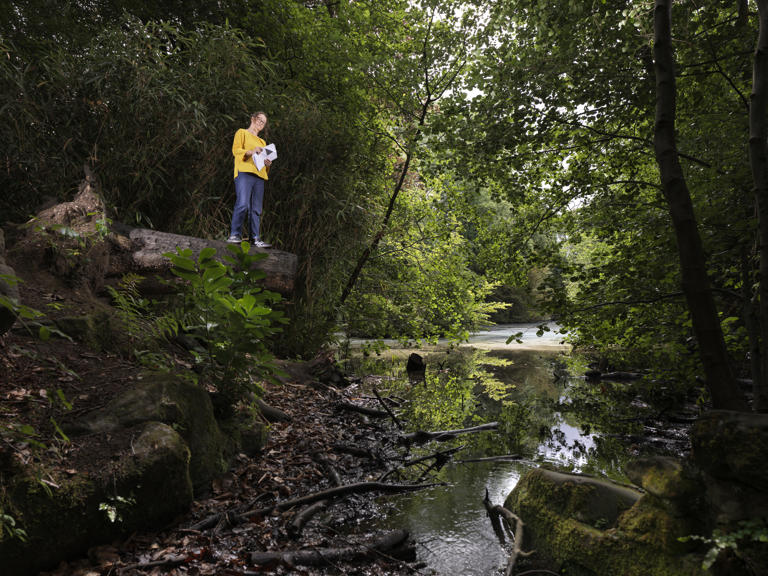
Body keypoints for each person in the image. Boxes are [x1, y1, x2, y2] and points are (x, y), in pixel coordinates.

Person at [227, 111, 273, 247]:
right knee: (243, 204)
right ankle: (235, 234)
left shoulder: (262, 142)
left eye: (263, 123)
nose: (260, 123)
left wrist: (267, 164)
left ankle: (255, 238)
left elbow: (264, 163)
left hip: (259, 176)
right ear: (253, 119)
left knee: (256, 209)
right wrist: (251, 151)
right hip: (244, 172)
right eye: (259, 120)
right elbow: (236, 151)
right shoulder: (242, 133)